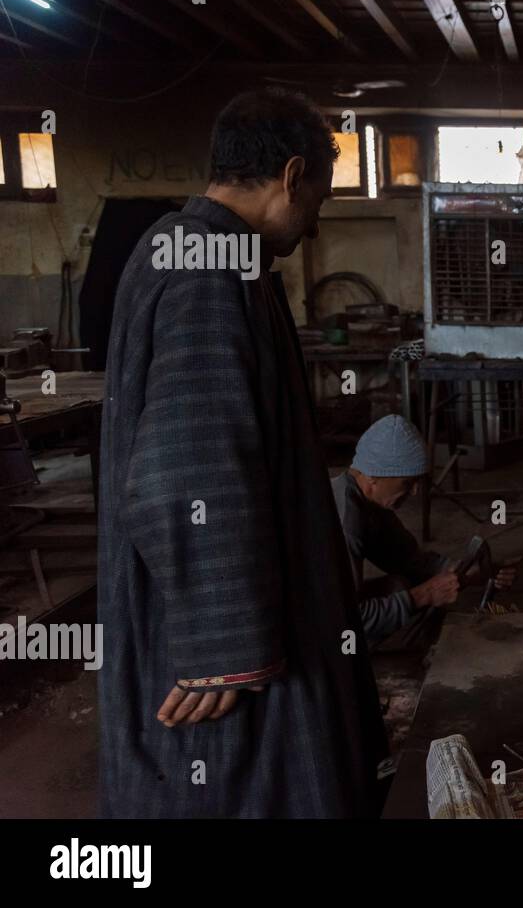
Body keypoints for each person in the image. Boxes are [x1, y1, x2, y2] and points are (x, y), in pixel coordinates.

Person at [97, 89, 388, 818]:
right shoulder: (205, 272)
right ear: (292, 176)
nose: (317, 216)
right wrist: (223, 644)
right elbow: (187, 461)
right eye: (318, 195)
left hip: (228, 595)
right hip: (215, 620)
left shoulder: (195, 247)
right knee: (241, 777)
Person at [332, 415, 516, 645]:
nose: (415, 492)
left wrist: (473, 572)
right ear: (372, 476)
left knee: (399, 586)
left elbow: (412, 562)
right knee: (410, 598)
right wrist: (425, 594)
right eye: (407, 483)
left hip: (324, 613)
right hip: (301, 630)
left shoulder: (370, 504)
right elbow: (344, 623)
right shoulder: (343, 521)